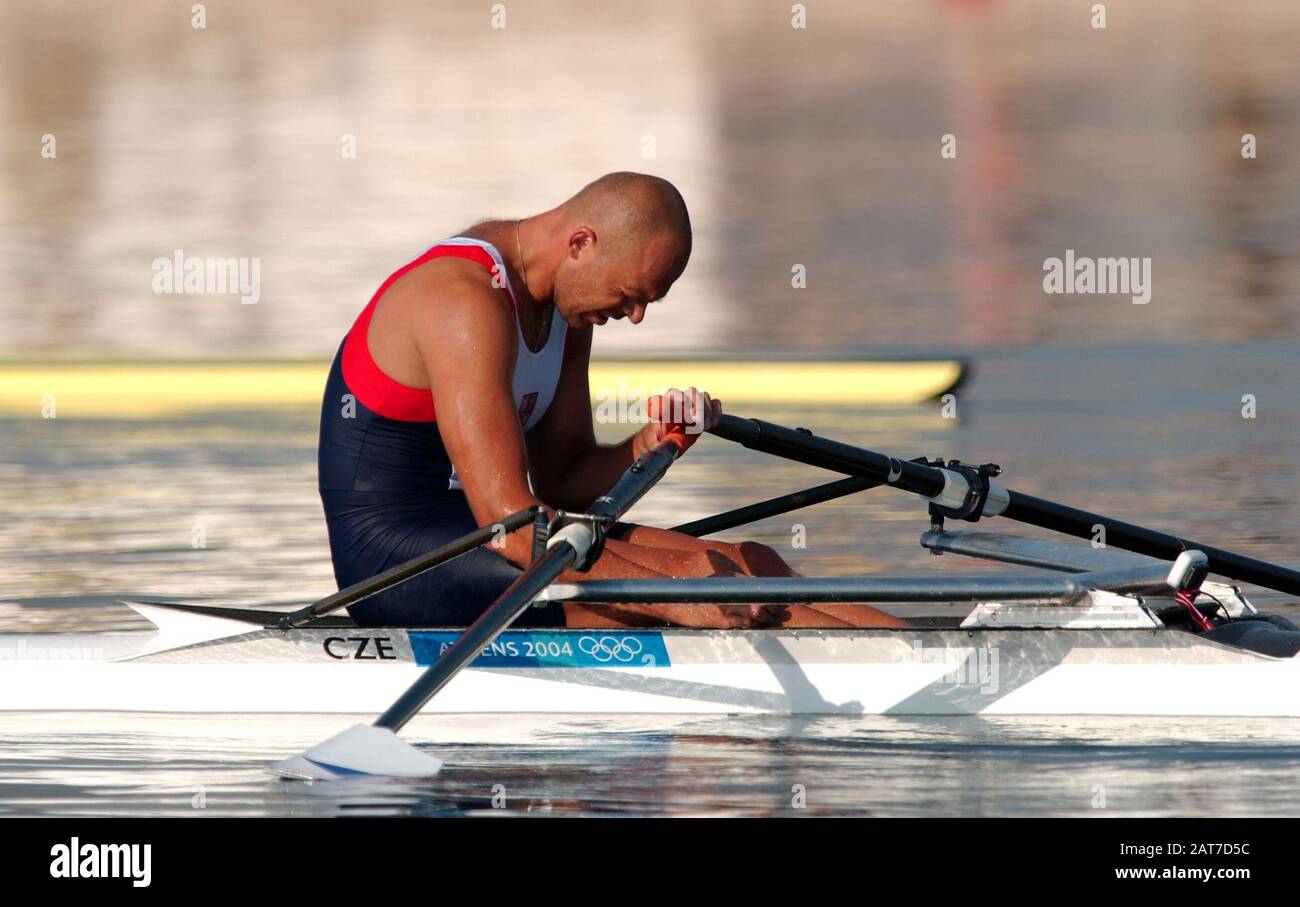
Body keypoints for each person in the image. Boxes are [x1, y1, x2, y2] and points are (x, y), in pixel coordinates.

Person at [318, 172, 905, 629]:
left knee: (751, 562)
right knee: (702, 578)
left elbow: (567, 483)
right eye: (629, 297)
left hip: (489, 534)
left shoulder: (569, 311)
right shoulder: (461, 300)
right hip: (394, 564)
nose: (635, 316)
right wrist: (670, 596)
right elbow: (512, 527)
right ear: (581, 243)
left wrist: (646, 446)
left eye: (648, 302)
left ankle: (927, 651)